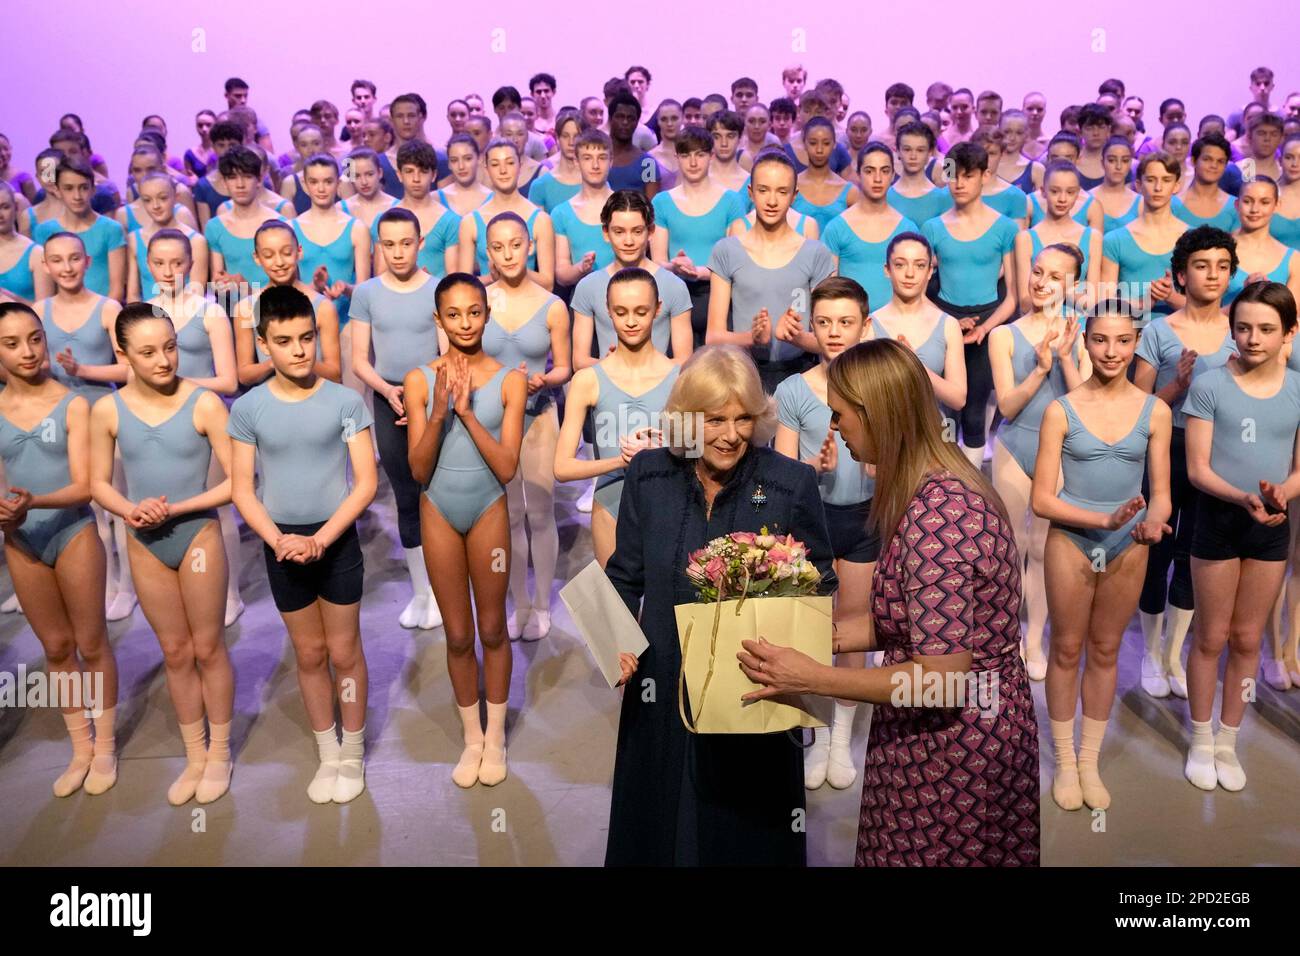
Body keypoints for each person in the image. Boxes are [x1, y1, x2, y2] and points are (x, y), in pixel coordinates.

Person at [744, 337, 1038, 865]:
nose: (834, 428)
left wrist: (812, 678)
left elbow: (942, 679)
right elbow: (919, 621)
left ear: (875, 413)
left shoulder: (941, 517)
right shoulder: (931, 481)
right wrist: (820, 636)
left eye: (840, 415)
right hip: (939, 738)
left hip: (956, 755)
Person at [604, 344, 836, 865]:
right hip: (660, 685)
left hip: (753, 688)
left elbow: (820, 580)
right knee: (660, 823)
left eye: (742, 419)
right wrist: (614, 641)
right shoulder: (647, 476)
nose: (731, 435)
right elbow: (623, 575)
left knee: (745, 832)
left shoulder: (789, 483)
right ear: (686, 419)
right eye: (714, 420)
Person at [227, 285, 376, 804]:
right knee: (309, 654)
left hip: (334, 541)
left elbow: (365, 483)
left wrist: (319, 540)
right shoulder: (248, 409)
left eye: (307, 338)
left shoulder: (345, 400)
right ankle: (328, 752)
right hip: (281, 545)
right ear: (263, 343)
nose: (298, 349)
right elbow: (242, 489)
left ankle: (353, 751)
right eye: (284, 340)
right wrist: (279, 541)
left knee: (344, 651)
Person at [88, 303, 235, 805]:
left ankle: (219, 754)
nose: (164, 360)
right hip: (144, 539)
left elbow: (238, 483)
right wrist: (132, 510)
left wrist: (177, 508)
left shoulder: (205, 403)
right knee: (174, 652)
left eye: (170, 347)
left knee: (208, 647)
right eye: (148, 352)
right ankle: (194, 755)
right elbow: (96, 484)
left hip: (196, 536)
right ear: (122, 353)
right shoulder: (107, 410)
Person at [1031, 298, 1173, 811]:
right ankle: (1065, 763)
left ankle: (1089, 760)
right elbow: (1042, 499)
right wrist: (1104, 520)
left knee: (1107, 651)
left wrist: (1154, 521)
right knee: (1067, 650)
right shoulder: (1060, 410)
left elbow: (1160, 491)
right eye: (1100, 340)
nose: (1111, 351)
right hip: (1072, 540)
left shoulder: (1155, 410)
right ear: (1085, 342)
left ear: (1136, 344)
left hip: (1129, 546)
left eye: (1122, 341)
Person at [404, 273, 526, 786]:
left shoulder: (510, 379)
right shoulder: (417, 378)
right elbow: (418, 471)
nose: (464, 323)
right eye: (453, 314)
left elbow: (505, 468)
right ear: (438, 320)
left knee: (493, 627)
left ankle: (495, 737)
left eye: (474, 311)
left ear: (487, 313)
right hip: (438, 510)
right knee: (457, 634)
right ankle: (471, 737)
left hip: (487, 510)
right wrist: (436, 409)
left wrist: (467, 414)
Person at [1183, 282, 1300, 791]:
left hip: (1272, 526)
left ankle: (1229, 740)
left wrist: (1282, 494)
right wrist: (1243, 498)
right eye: (1244, 328)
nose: (1253, 338)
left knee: (1249, 638)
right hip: (1219, 521)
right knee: (1210, 636)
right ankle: (1201, 737)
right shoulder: (1209, 384)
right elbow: (1197, 469)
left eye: (1267, 329)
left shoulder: (1299, 388)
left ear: (1289, 333)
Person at [0, 301, 119, 797]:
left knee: (90, 644)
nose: (27, 351)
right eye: (11, 344)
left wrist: (33, 502)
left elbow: (86, 485)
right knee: (55, 648)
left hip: (71, 531)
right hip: (21, 540)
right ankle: (80, 747)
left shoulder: (73, 404)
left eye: (34, 338)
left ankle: (106, 747)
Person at [772, 277, 875, 790]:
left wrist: (876, 463)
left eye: (846, 322)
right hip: (810, 526)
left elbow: (901, 459)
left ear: (865, 325)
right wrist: (816, 464)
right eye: (825, 322)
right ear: (811, 326)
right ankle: (816, 731)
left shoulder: (880, 386)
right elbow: (784, 472)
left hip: (865, 522)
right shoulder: (792, 390)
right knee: (814, 630)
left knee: (854, 625)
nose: (835, 332)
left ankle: (840, 739)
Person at [1133, 225, 1238, 698]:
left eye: (1221, 266)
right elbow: (1137, 403)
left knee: (1199, 554)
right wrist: (1177, 384)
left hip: (1220, 456)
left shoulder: (1242, 329)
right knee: (1156, 551)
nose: (1212, 275)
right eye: (1201, 265)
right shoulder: (1159, 330)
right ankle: (1152, 654)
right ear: (1180, 274)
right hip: (1167, 449)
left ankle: (1175, 654)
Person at [991, 244, 1089, 682]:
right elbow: (1008, 405)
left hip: (1059, 450)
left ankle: (1035, 640)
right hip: (1014, 445)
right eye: (1037, 271)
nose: (1041, 282)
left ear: (1072, 286)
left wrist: (1065, 356)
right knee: (1011, 545)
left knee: (1042, 549)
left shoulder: (1080, 330)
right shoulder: (1004, 335)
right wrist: (1039, 368)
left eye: (1054, 276)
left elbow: (1085, 402)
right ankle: (1007, 634)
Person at [350, 208, 447, 631]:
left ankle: (445, 590)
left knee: (438, 494)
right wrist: (390, 393)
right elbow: (358, 360)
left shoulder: (437, 290)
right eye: (388, 244)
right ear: (378, 246)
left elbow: (448, 353)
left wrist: (422, 395)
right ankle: (421, 592)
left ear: (420, 242)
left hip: (431, 401)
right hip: (390, 403)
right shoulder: (367, 293)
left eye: (406, 243)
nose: (398, 252)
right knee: (406, 498)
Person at [479, 213, 570, 640]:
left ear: (530, 246)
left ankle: (541, 605)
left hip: (539, 414)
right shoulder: (479, 301)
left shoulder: (552, 305)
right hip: (493, 420)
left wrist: (542, 379)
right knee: (509, 515)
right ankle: (518, 603)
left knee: (539, 511)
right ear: (488, 252)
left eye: (516, 244)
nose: (508, 253)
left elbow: (565, 366)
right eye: (499, 247)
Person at [555, 267, 678, 566]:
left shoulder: (681, 378)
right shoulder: (587, 380)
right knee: (618, 608)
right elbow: (562, 467)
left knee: (666, 610)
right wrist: (623, 461)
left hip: (669, 504)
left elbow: (696, 454)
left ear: (658, 309)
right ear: (608, 311)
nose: (632, 321)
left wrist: (657, 455)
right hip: (611, 503)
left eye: (641, 311)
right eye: (621, 312)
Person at [921, 141, 1020, 467]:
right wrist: (948, 322)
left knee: (975, 411)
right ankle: (942, 487)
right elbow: (920, 290)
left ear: (984, 176)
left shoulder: (1005, 227)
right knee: (942, 411)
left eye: (967, 176)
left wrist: (984, 329)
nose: (959, 184)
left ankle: (970, 491)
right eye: (952, 176)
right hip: (944, 320)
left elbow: (1013, 298)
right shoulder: (933, 228)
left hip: (987, 325)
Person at [708, 151, 834, 394]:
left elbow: (827, 339)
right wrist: (751, 338)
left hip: (802, 374)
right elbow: (713, 336)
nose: (772, 201)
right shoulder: (727, 250)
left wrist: (796, 338)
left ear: (794, 196)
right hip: (742, 375)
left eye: (782, 191)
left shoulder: (815, 253)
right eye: (764, 190)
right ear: (751, 192)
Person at [576, 191, 692, 366]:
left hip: (660, 388)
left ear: (650, 231)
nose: (628, 241)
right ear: (606, 233)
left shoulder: (674, 286)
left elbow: (685, 361)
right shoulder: (588, 287)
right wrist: (610, 366)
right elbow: (579, 361)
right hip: (606, 386)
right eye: (619, 232)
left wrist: (646, 371)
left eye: (637, 231)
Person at [649, 125, 741, 348]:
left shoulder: (731, 201)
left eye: (699, 155)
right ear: (677, 158)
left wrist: (698, 272)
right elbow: (657, 261)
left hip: (719, 297)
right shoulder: (661, 202)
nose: (693, 162)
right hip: (674, 296)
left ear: (711, 156)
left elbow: (737, 262)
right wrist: (677, 266)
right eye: (686, 155)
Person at [865, 232, 968, 409]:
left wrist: (915, 365)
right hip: (884, 431)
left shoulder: (948, 325)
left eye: (919, 266)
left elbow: (958, 399)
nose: (910, 274)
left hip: (933, 430)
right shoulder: (869, 325)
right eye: (900, 265)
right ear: (887, 270)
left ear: (929, 272)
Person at [234, 220, 342, 387]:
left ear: (299, 251)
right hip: (269, 401)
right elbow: (244, 374)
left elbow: (334, 374)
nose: (279, 262)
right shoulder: (246, 308)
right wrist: (274, 362)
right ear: (257, 258)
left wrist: (303, 361)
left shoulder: (323, 307)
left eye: (286, 253)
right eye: (269, 255)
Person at [822, 142, 916, 315]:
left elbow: (917, 291)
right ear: (858, 174)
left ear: (893, 175)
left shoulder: (908, 229)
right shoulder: (836, 228)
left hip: (896, 329)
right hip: (850, 328)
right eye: (869, 171)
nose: (878, 178)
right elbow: (828, 289)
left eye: (885, 171)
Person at [1101, 152, 1189, 323]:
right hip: (1131, 332)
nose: (1158, 188)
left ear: (1177, 185)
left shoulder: (1193, 239)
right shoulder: (1115, 240)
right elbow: (1106, 302)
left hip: (1181, 334)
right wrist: (1144, 302)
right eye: (1150, 180)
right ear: (1139, 185)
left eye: (1166, 180)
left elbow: (1205, 306)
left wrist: (1170, 296)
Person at [456, 139, 554, 290]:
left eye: (509, 163)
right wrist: (492, 277)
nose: (503, 170)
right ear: (486, 168)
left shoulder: (541, 220)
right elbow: (463, 284)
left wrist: (515, 269)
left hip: (529, 305)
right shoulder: (470, 223)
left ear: (520, 165)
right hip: (489, 307)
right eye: (495, 164)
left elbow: (548, 284)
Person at [33, 160, 125, 302]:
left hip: (104, 315)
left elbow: (117, 289)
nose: (77, 196)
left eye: (83, 188)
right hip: (59, 316)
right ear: (57, 190)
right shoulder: (44, 231)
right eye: (69, 188)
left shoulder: (111, 229)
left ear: (93, 189)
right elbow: (45, 288)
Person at [203, 146, 285, 302]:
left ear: (259, 180)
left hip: (274, 309)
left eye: (247, 176)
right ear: (225, 182)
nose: (240, 184)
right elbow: (218, 276)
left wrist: (246, 287)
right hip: (236, 313)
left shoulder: (279, 224)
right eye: (232, 177)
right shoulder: (215, 227)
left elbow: (287, 281)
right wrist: (220, 284)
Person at [1015, 163, 1101, 311]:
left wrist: (1057, 290)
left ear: (1078, 193)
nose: (1062, 199)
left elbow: (1093, 302)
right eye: (1055, 191)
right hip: (1039, 327)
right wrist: (1066, 290)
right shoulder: (1025, 239)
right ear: (1043, 192)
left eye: (1070, 192)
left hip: (1078, 326)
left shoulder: (1093, 237)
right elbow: (1024, 302)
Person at [377, 141, 459, 281]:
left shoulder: (451, 221)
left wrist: (427, 282)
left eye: (423, 171)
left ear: (434, 175)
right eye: (409, 171)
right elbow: (380, 276)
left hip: (436, 299)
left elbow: (454, 278)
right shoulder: (384, 219)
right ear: (399, 175)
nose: (416, 179)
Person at [126, 173, 207, 301]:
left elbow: (196, 292)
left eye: (163, 198)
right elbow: (133, 295)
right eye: (147, 200)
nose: (155, 206)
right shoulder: (134, 239)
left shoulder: (196, 241)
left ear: (176, 197)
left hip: (185, 316)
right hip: (147, 317)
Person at [551, 130, 614, 288]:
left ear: (611, 161)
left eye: (602, 158)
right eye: (587, 158)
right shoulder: (561, 214)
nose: (595, 165)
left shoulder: (627, 206)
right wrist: (581, 268)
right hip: (583, 302)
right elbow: (562, 274)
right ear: (577, 161)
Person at [1225, 177, 1300, 305]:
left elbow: (1291, 315)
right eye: (1247, 201)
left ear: (1277, 205)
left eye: (1264, 202)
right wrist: (1247, 295)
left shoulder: (1293, 260)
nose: (1255, 209)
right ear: (1237, 204)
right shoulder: (1217, 250)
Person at [792, 118, 860, 233]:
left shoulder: (850, 192)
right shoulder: (791, 188)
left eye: (826, 143)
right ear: (804, 144)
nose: (819, 150)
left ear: (834, 145)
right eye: (813, 143)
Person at [886, 122, 953, 226]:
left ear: (930, 153)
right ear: (898, 151)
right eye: (907, 149)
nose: (913, 156)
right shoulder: (885, 197)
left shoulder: (943, 198)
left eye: (920, 150)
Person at [1172, 134, 1240, 232]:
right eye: (1207, 159)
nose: (1214, 165)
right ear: (1193, 161)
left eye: (1220, 161)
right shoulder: (1174, 205)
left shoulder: (1236, 207)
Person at [0, 182, 50, 303]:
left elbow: (44, 313)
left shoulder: (37, 254)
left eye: (5, 207)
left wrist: (4, 296)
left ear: (16, 207)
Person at [525, 111, 582, 214]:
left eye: (576, 136)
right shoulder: (541, 185)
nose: (571, 142)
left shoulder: (596, 183)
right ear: (558, 138)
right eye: (565, 136)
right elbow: (536, 227)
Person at [338, 147, 397, 232]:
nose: (364, 182)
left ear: (380, 173)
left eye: (369, 174)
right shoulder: (340, 209)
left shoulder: (397, 207)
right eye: (357, 176)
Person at [1091, 137, 1142, 232]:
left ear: (1130, 163)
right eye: (1111, 160)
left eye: (1125, 161)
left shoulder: (1141, 203)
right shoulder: (1087, 199)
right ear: (1102, 163)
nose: (1118, 166)